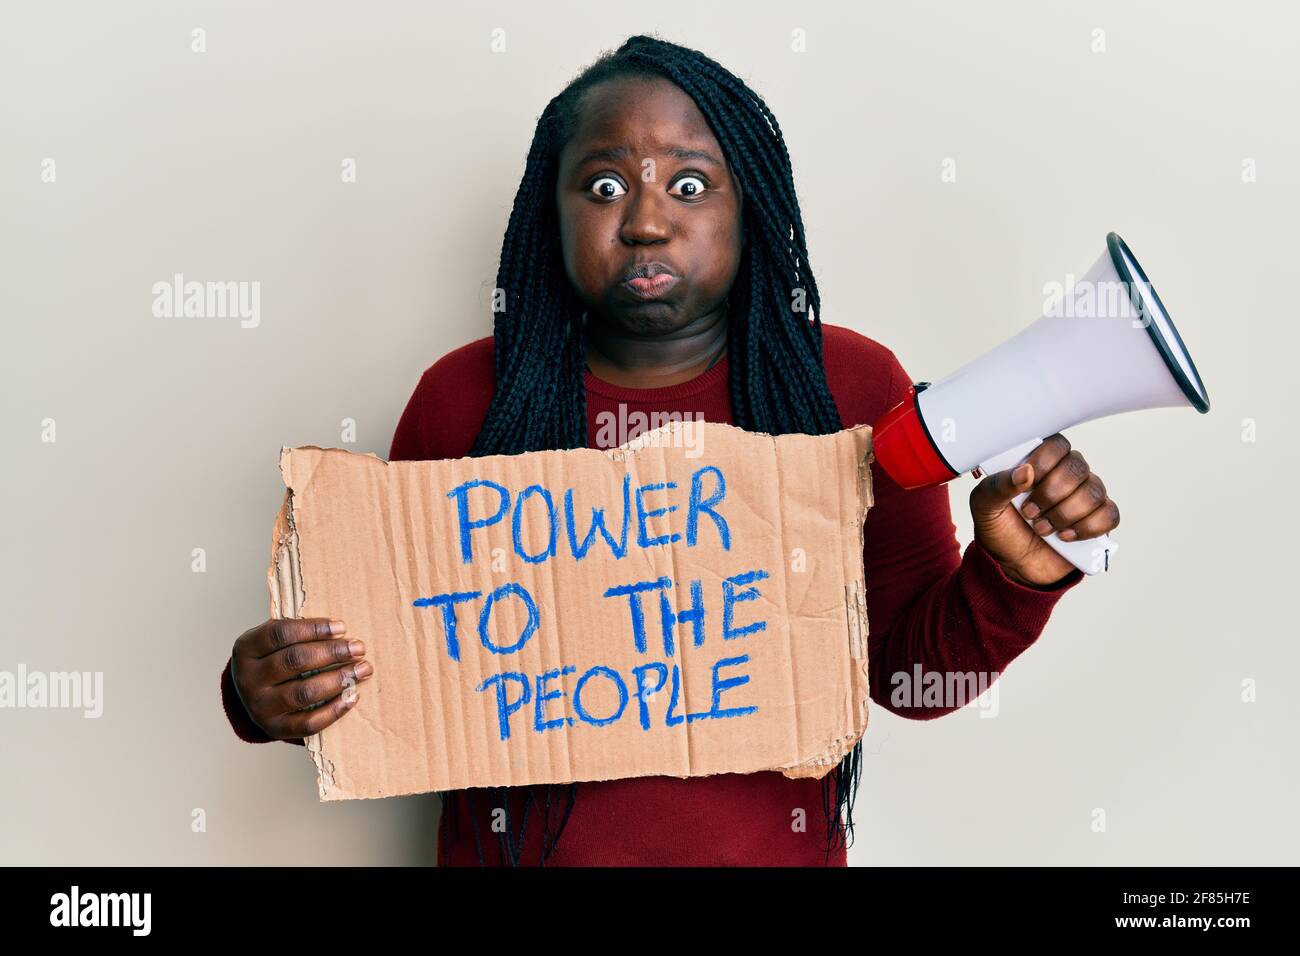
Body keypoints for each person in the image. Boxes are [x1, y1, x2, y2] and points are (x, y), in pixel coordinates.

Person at [220, 35, 1118, 866]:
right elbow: (386, 675)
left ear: (748, 205)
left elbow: (910, 681)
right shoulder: (465, 401)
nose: (646, 222)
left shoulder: (848, 390)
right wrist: (267, 697)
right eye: (605, 188)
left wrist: (1015, 576)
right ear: (551, 212)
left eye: (689, 186)